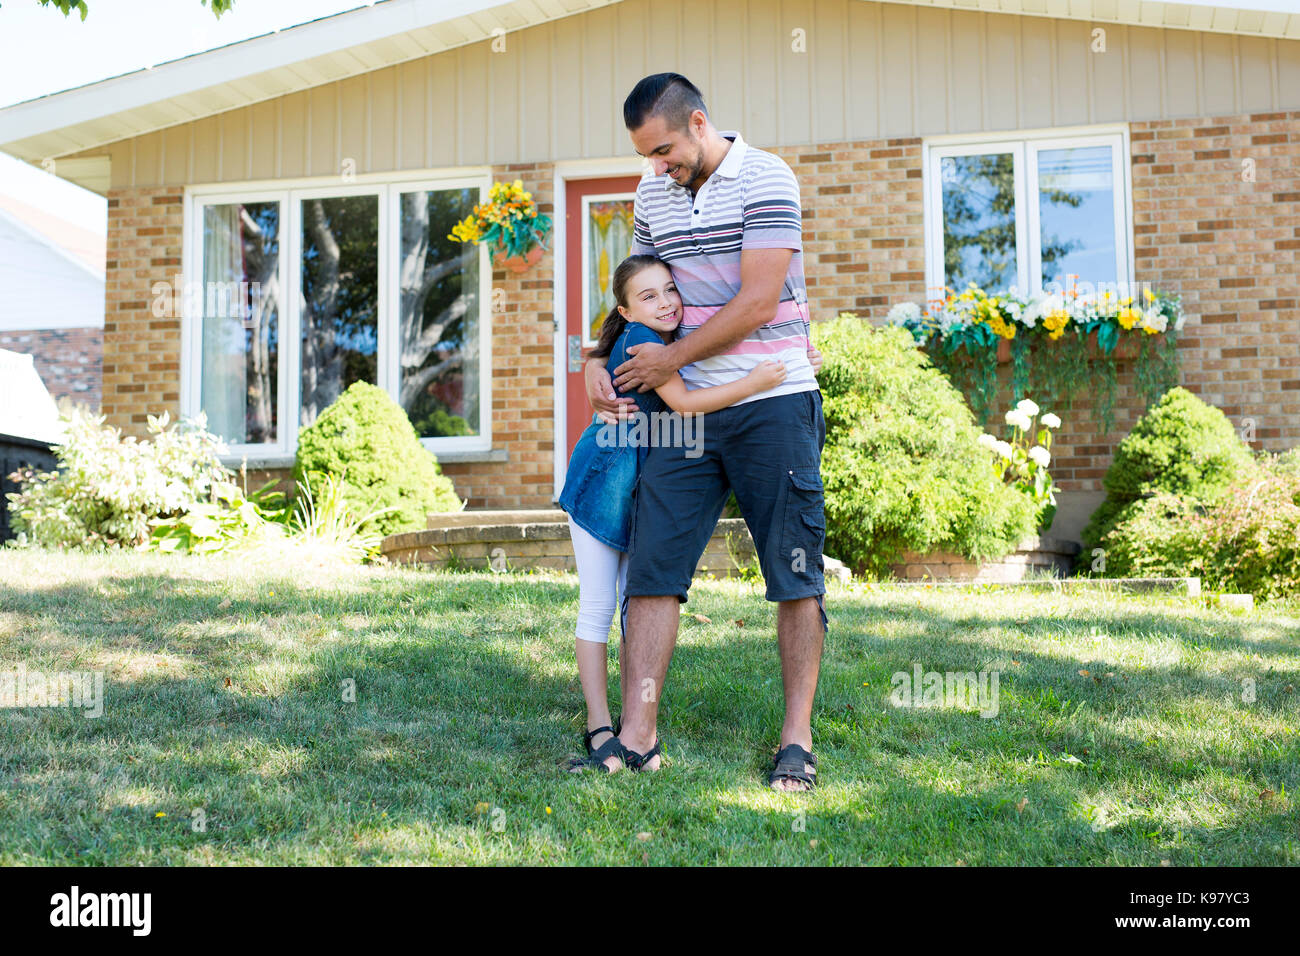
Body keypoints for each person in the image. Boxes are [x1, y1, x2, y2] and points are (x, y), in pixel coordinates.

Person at [584, 73, 826, 790]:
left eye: (663, 150)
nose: (656, 168)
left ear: (697, 122)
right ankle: (637, 736)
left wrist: (668, 360)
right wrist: (600, 359)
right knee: (654, 567)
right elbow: (637, 291)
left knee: (793, 571)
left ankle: (796, 739)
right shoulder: (652, 192)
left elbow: (756, 302)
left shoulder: (767, 177)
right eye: (645, 157)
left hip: (771, 399)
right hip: (678, 408)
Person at [559, 254, 787, 772]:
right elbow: (684, 405)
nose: (664, 303)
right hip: (601, 485)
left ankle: (627, 731)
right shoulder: (642, 341)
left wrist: (796, 356)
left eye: (669, 290)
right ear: (625, 308)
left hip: (635, 486)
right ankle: (599, 729)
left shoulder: (667, 338)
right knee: (598, 604)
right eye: (648, 296)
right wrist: (756, 382)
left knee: (627, 603)